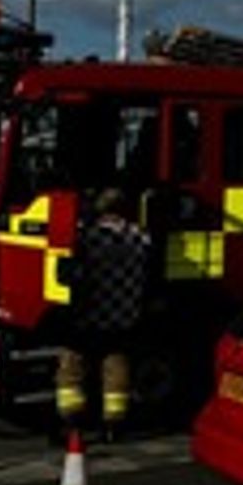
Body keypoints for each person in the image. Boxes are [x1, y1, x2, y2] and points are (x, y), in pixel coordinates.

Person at [56, 187, 152, 440]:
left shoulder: (90, 236)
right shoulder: (140, 236)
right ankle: (114, 424)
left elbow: (72, 273)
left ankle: (72, 422)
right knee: (116, 366)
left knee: (72, 366)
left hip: (91, 314)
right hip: (125, 315)